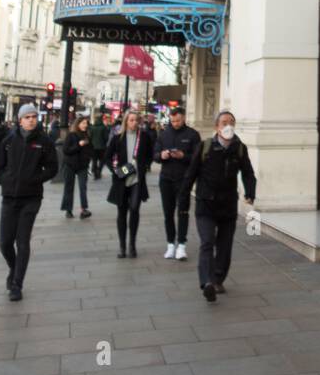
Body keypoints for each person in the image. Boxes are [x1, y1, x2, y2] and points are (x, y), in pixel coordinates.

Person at [179, 110, 256, 302]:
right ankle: (207, 283)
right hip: (206, 204)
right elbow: (191, 174)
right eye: (224, 122)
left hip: (228, 205)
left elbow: (248, 172)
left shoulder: (239, 148)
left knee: (224, 245)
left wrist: (250, 192)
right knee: (207, 242)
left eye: (231, 122)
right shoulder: (204, 147)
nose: (228, 125)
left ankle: (218, 278)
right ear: (217, 127)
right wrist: (183, 202)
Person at [0, 105, 58, 301]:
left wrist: (36, 178)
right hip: (9, 197)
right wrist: (4, 179)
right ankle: (14, 267)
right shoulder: (9, 141)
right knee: (4, 243)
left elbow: (53, 167)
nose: (31, 120)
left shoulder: (44, 142)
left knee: (22, 241)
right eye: (27, 117)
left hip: (31, 199)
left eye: (34, 117)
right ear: (20, 120)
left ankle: (17, 285)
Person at [106, 109, 154, 259]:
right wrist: (115, 170)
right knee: (122, 213)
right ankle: (122, 246)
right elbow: (107, 157)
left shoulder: (144, 137)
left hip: (137, 181)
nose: (134, 123)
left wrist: (144, 165)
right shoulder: (117, 138)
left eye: (136, 120)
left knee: (134, 210)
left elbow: (150, 155)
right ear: (126, 121)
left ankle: (132, 244)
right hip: (121, 181)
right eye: (131, 120)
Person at [154, 105, 201, 260]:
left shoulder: (193, 135)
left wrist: (183, 156)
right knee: (168, 213)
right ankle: (170, 244)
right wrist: (162, 155)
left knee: (183, 212)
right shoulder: (163, 133)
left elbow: (197, 158)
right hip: (166, 179)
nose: (175, 123)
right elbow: (155, 155)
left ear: (184, 118)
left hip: (183, 180)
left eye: (178, 120)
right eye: (173, 120)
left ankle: (181, 245)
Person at [61, 113, 92, 219]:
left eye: (86, 123)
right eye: (83, 123)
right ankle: (68, 210)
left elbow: (90, 150)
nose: (85, 125)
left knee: (83, 187)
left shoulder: (87, 136)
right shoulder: (71, 135)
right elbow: (66, 150)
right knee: (68, 188)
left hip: (82, 166)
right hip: (70, 165)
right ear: (78, 124)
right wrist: (78, 145)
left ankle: (84, 209)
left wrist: (88, 161)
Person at [89, 112, 108, 180]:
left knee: (94, 161)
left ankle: (95, 173)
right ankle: (99, 171)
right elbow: (106, 138)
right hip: (102, 147)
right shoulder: (103, 127)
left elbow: (90, 137)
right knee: (102, 160)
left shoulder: (92, 127)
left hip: (93, 147)